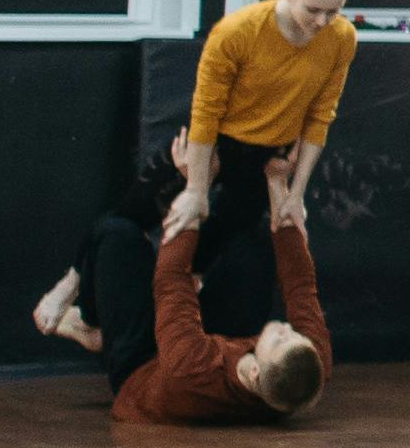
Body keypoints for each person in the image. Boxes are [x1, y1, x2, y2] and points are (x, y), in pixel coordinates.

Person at [32, 144, 330, 424]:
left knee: (116, 235)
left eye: (280, 338)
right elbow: (301, 286)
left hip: (144, 362)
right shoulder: (308, 367)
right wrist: (279, 184)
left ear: (253, 372)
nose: (285, 327)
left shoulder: (191, 370)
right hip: (213, 339)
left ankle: (95, 326)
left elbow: (171, 280)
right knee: (257, 250)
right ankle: (149, 319)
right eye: (294, 334)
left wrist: (195, 185)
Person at [169, 0, 354, 322]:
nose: (323, 21)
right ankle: (77, 294)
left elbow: (321, 116)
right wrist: (196, 187)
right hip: (216, 142)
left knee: (245, 229)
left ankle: (200, 299)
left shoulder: (341, 38)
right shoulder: (239, 31)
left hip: (268, 155)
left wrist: (296, 192)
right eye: (313, 9)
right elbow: (205, 114)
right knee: (149, 211)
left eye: (333, 11)